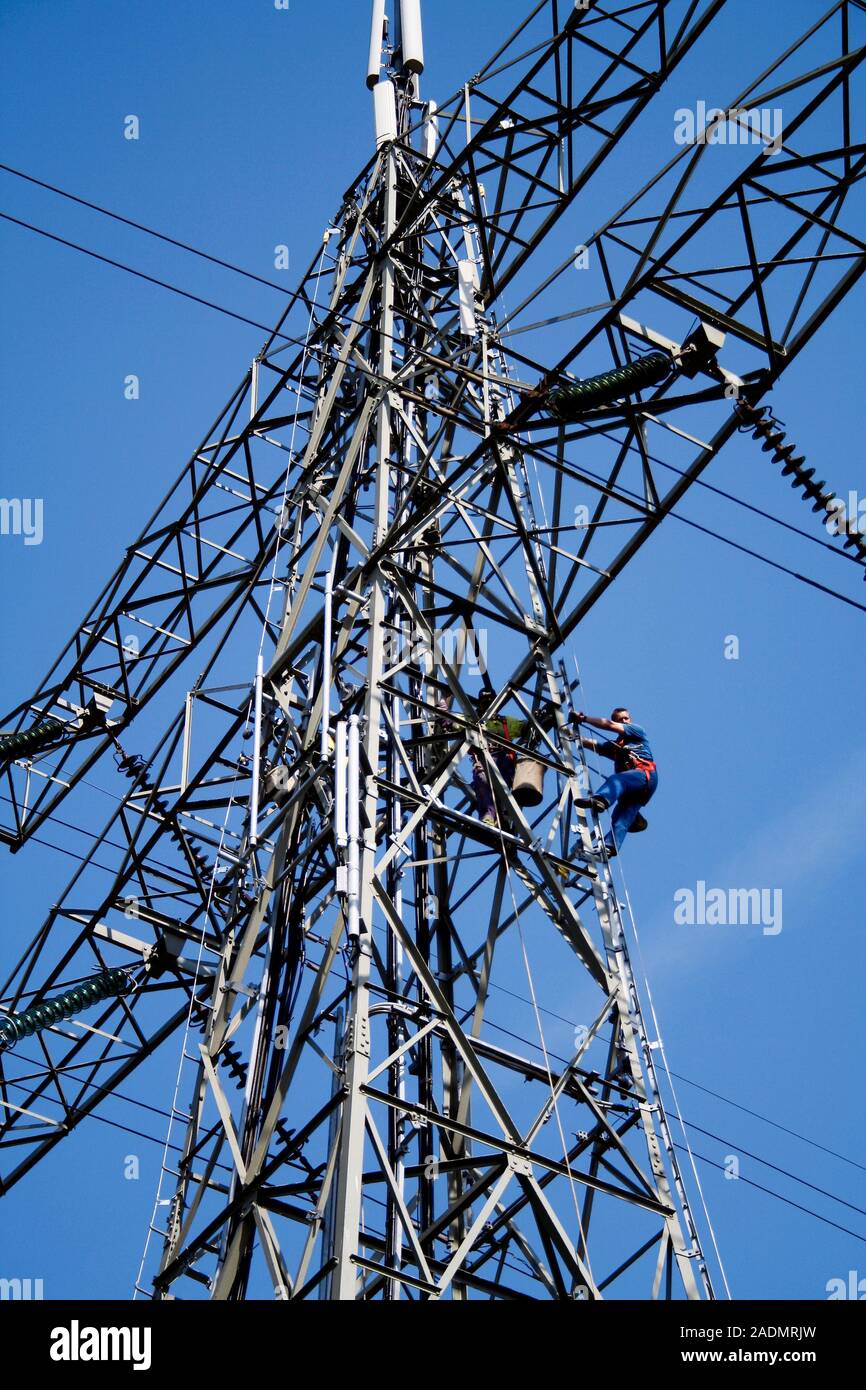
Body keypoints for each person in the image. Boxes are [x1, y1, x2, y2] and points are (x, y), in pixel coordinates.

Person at [569, 707, 657, 856]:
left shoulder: (636, 731)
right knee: (620, 816)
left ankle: (600, 800)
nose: (624, 721)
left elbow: (609, 725)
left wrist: (584, 719)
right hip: (635, 790)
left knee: (616, 780)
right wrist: (572, 736)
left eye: (626, 718)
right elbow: (598, 746)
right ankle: (609, 848)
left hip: (644, 775)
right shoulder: (617, 746)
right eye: (620, 719)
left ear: (630, 720)